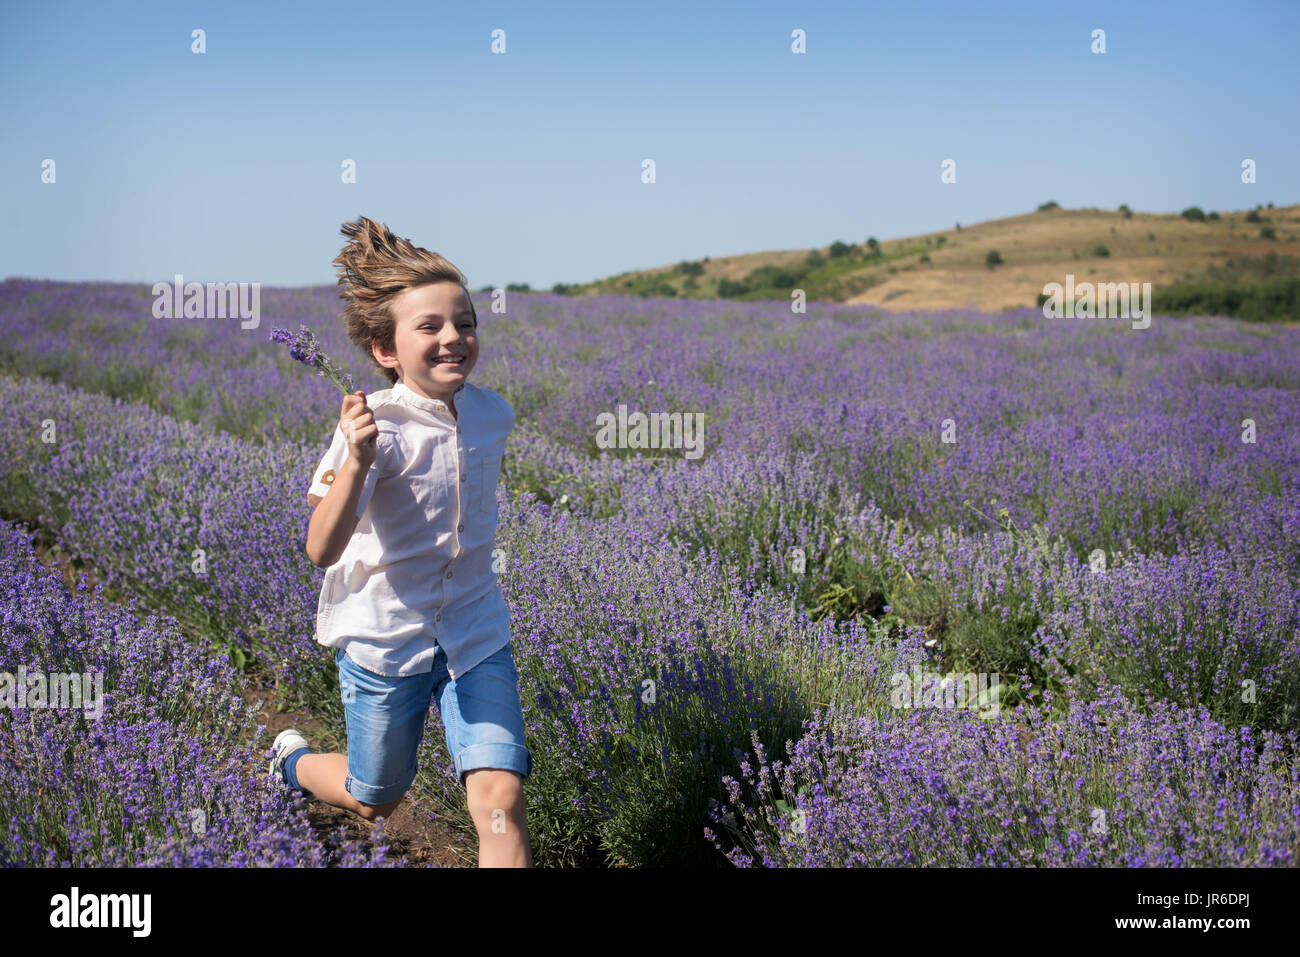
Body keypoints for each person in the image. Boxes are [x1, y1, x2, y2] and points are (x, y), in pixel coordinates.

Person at [269, 215, 533, 867]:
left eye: (464, 322)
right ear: (385, 350)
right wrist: (358, 459)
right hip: (386, 640)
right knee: (375, 798)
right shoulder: (371, 423)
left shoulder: (493, 412)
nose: (454, 338)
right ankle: (293, 762)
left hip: (475, 632)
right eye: (431, 327)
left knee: (500, 795)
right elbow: (321, 549)